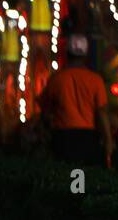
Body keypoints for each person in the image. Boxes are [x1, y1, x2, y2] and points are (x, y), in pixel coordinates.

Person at [39, 33, 113, 167]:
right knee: (82, 179)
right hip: (87, 137)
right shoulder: (96, 80)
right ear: (85, 55)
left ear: (67, 53)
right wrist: (108, 140)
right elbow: (102, 113)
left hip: (62, 137)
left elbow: (45, 111)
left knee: (64, 177)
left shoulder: (56, 79)